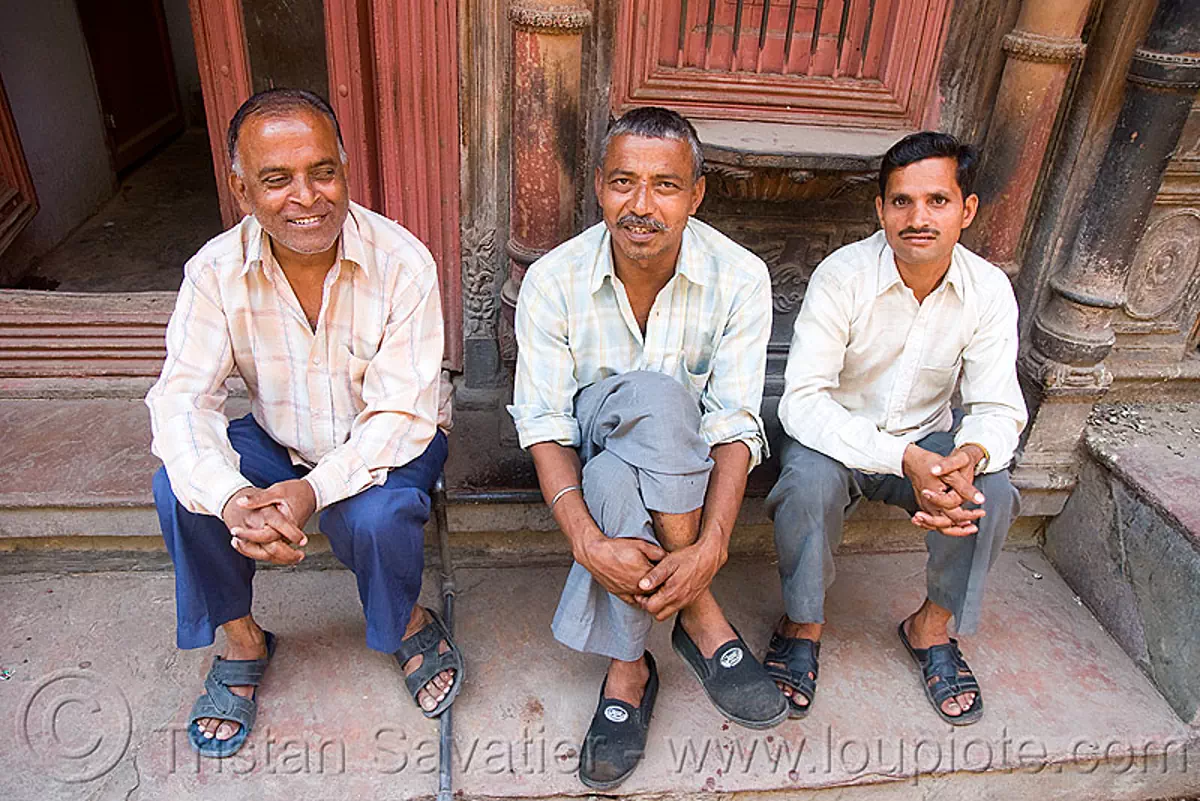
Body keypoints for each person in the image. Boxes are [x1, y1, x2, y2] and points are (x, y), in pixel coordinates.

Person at [147, 88, 462, 757]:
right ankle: (242, 639)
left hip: (389, 435)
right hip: (278, 435)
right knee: (180, 486)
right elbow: (181, 401)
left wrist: (315, 491)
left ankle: (405, 621)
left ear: (346, 169)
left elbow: (401, 414)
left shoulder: (402, 261)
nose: (307, 196)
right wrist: (234, 499)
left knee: (370, 517)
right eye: (276, 179)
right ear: (241, 189)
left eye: (323, 171)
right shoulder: (214, 272)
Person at [508, 106, 786, 790]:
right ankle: (699, 612)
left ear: (695, 194)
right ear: (599, 186)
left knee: (612, 477)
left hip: (672, 458)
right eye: (623, 182)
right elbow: (544, 422)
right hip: (597, 422)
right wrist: (584, 543)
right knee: (653, 399)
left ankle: (628, 668)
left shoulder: (741, 276)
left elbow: (733, 422)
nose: (640, 205)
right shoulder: (552, 280)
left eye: (664, 186)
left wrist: (711, 547)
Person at [765, 131, 1026, 726]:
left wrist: (972, 452)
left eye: (937, 201)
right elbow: (802, 401)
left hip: (928, 444)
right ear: (880, 209)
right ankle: (802, 623)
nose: (918, 218)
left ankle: (930, 629)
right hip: (836, 439)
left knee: (994, 490)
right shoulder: (843, 276)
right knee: (807, 482)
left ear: (967, 210)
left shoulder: (988, 290)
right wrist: (899, 456)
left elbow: (998, 405)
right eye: (901, 201)